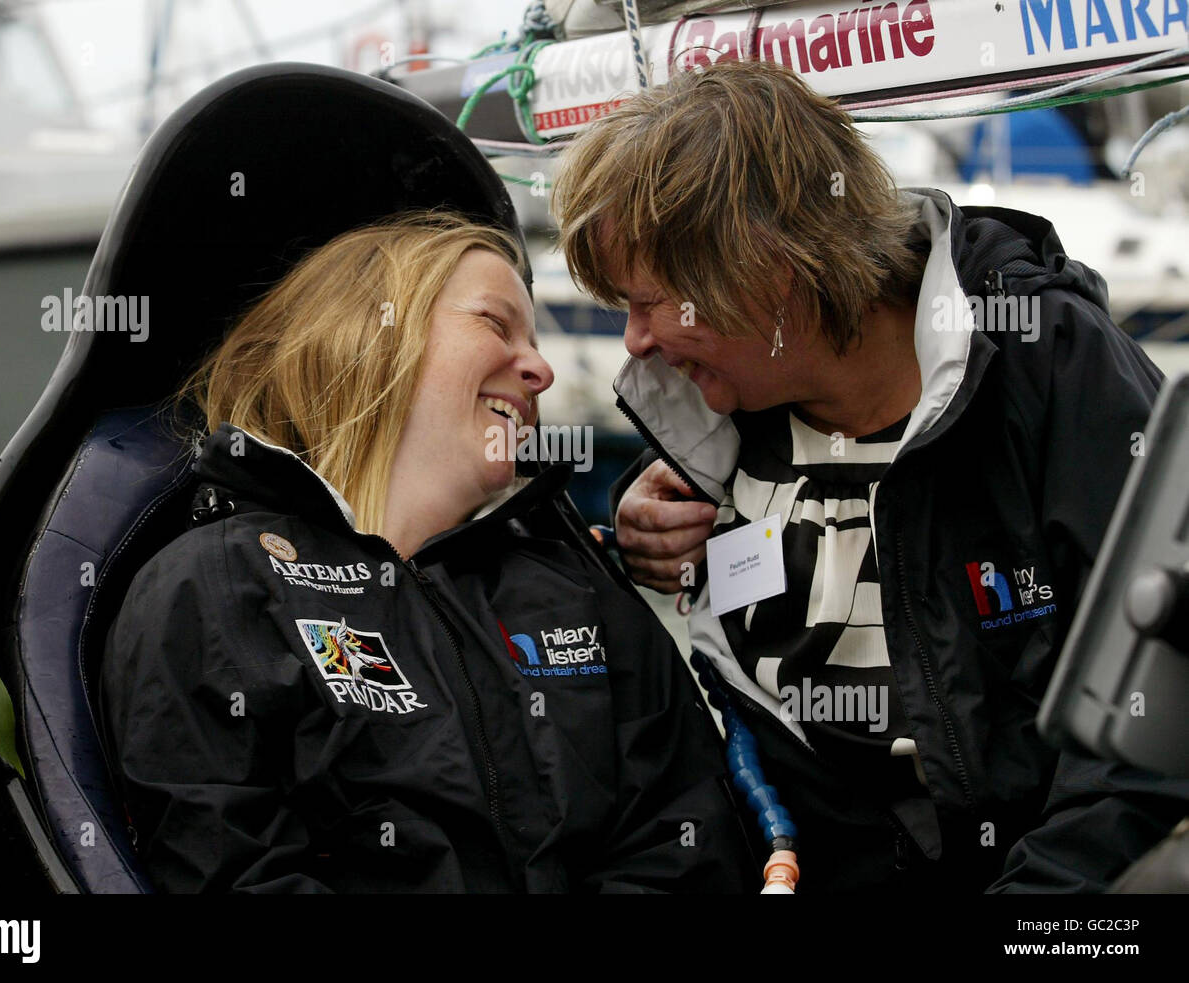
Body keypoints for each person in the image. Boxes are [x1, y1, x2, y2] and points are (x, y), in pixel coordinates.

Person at [550, 59, 1189, 893]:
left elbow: (1158, 713)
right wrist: (631, 546)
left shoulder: (1045, 364)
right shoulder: (711, 421)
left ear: (765, 272)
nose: (632, 342)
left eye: (651, 301)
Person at [99, 209, 756, 893]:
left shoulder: (578, 587)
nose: (540, 369)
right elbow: (230, 870)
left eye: (532, 341)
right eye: (496, 325)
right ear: (368, 335)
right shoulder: (210, 586)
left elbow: (687, 840)